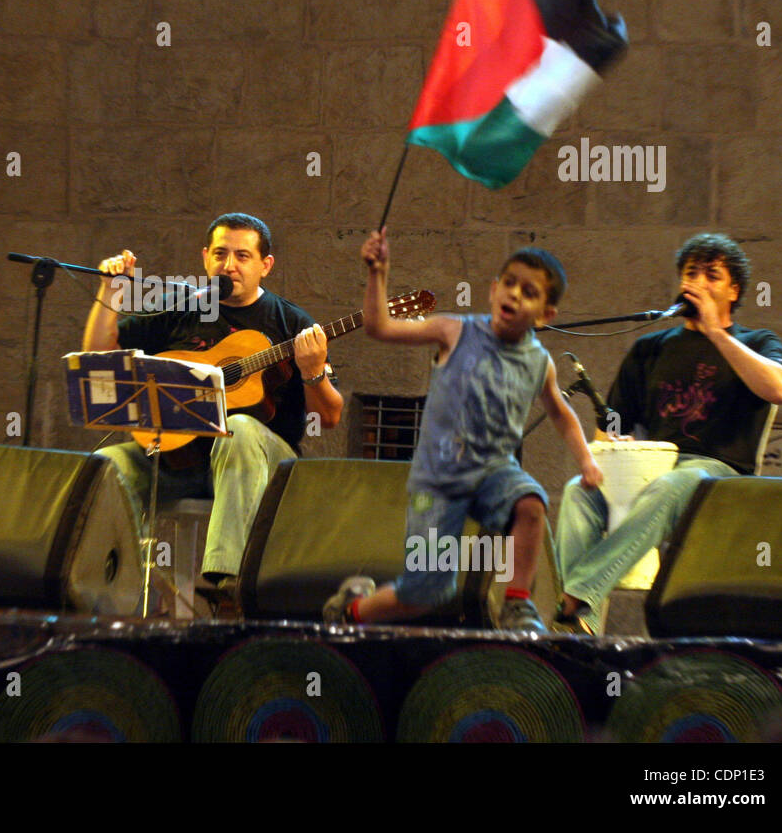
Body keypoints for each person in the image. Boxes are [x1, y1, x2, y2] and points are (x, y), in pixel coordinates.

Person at [324, 227, 602, 633]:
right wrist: (377, 273)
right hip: (438, 479)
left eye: (529, 292)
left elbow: (561, 414)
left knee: (531, 503)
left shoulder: (539, 363)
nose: (514, 295)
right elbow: (379, 327)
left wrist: (586, 461)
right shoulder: (453, 331)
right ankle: (352, 610)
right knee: (425, 594)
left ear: (545, 315)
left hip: (493, 472)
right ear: (493, 290)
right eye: (509, 284)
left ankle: (518, 603)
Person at [81, 212, 343, 606]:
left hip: (262, 467)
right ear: (205, 257)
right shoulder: (180, 308)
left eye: (242, 256)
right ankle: (107, 592)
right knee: (106, 465)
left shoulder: (291, 322)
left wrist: (313, 373)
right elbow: (99, 361)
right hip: (177, 460)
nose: (229, 265)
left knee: (239, 428)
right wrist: (111, 292)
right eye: (220, 254)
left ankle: (227, 585)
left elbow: (330, 417)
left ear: (265, 265)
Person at [554, 233, 782, 633]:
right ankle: (583, 626)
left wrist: (717, 333)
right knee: (579, 491)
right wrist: (613, 448)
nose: (697, 283)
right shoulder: (650, 348)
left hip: (716, 473)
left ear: (734, 290)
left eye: (712, 276)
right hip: (652, 465)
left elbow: (780, 389)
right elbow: (609, 430)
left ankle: (576, 597)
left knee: (674, 484)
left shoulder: (757, 342)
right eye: (691, 273)